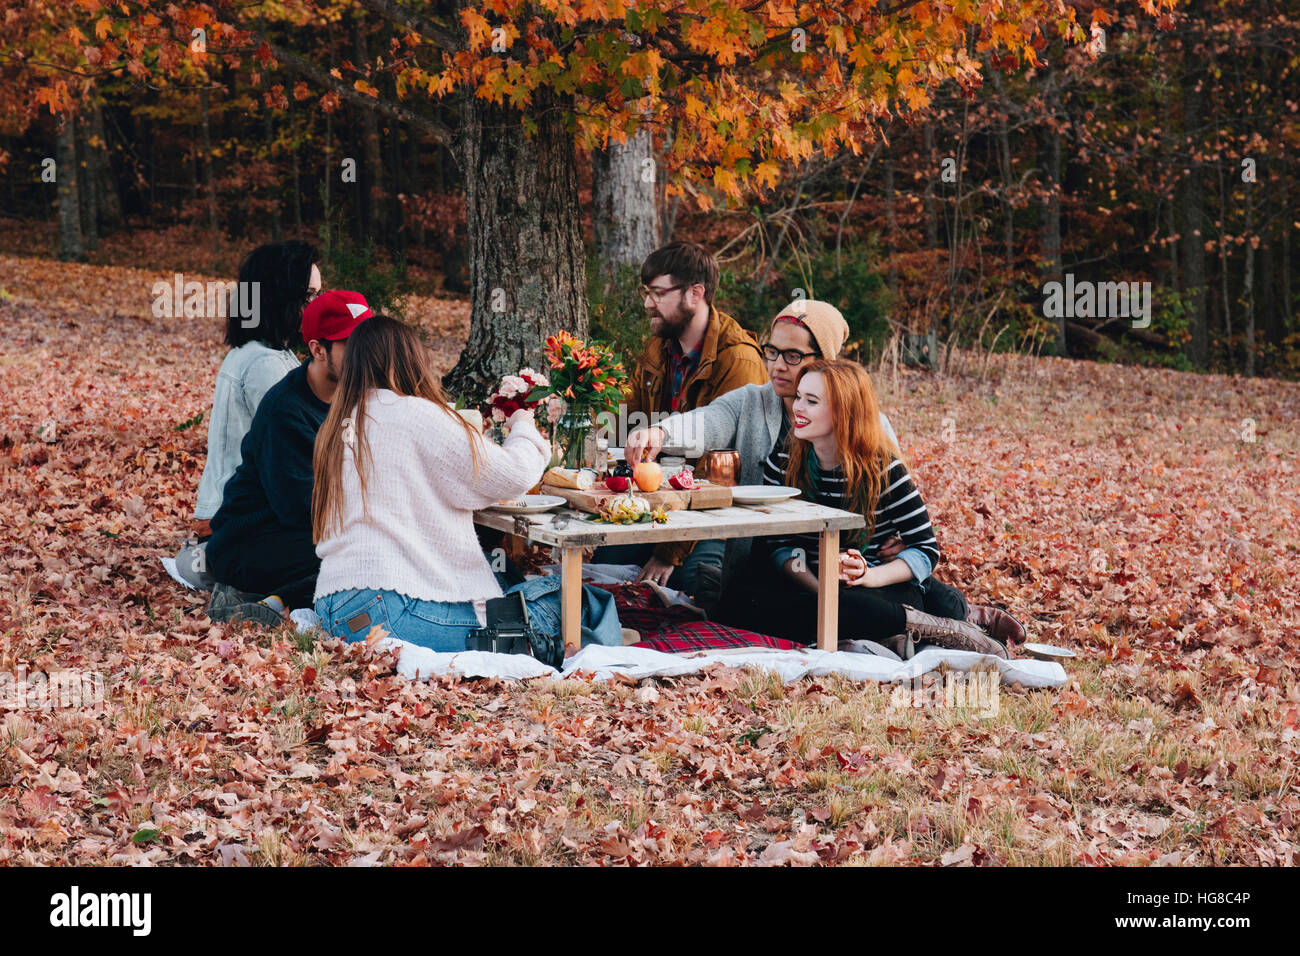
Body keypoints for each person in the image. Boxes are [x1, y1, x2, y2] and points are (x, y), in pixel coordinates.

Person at [625, 299, 1024, 645]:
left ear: (826, 362)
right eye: (772, 352)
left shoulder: (869, 431)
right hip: (784, 563)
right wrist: (660, 432)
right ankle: (915, 620)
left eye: (793, 356)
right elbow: (707, 421)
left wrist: (891, 547)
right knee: (737, 603)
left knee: (872, 597)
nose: (778, 366)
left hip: (862, 565)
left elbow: (899, 507)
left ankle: (952, 617)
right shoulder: (757, 410)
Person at [714, 359, 1008, 658]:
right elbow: (778, 544)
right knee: (734, 603)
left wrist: (866, 575)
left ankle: (939, 628)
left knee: (854, 605)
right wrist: (820, 590)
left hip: (873, 586)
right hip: (805, 583)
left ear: (845, 412)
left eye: (811, 401)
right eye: (798, 397)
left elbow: (925, 550)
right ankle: (886, 634)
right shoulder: (783, 462)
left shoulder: (884, 469)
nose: (798, 408)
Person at [310, 316, 554, 650]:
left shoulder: (334, 426)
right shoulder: (416, 413)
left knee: (510, 580)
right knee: (571, 602)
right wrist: (523, 425)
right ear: (411, 360)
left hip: (335, 608)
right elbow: (513, 474)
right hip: (390, 612)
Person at [600, 241, 768, 591]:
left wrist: (669, 550)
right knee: (600, 574)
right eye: (646, 292)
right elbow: (624, 424)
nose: (648, 303)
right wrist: (582, 424)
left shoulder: (739, 361)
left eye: (658, 293)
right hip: (655, 501)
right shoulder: (657, 348)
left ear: (695, 294)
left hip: (716, 512)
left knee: (694, 586)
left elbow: (723, 474)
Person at [204, 290, 372, 625]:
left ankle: (278, 599)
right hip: (250, 540)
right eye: (351, 344)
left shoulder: (360, 396)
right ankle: (259, 602)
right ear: (317, 349)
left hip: (304, 532)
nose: (364, 354)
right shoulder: (286, 410)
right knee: (361, 552)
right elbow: (302, 509)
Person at [173, 241, 321, 589]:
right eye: (309, 296)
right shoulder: (264, 364)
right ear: (281, 296)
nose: (317, 307)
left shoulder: (263, 353)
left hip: (236, 513)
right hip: (239, 522)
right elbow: (298, 453)